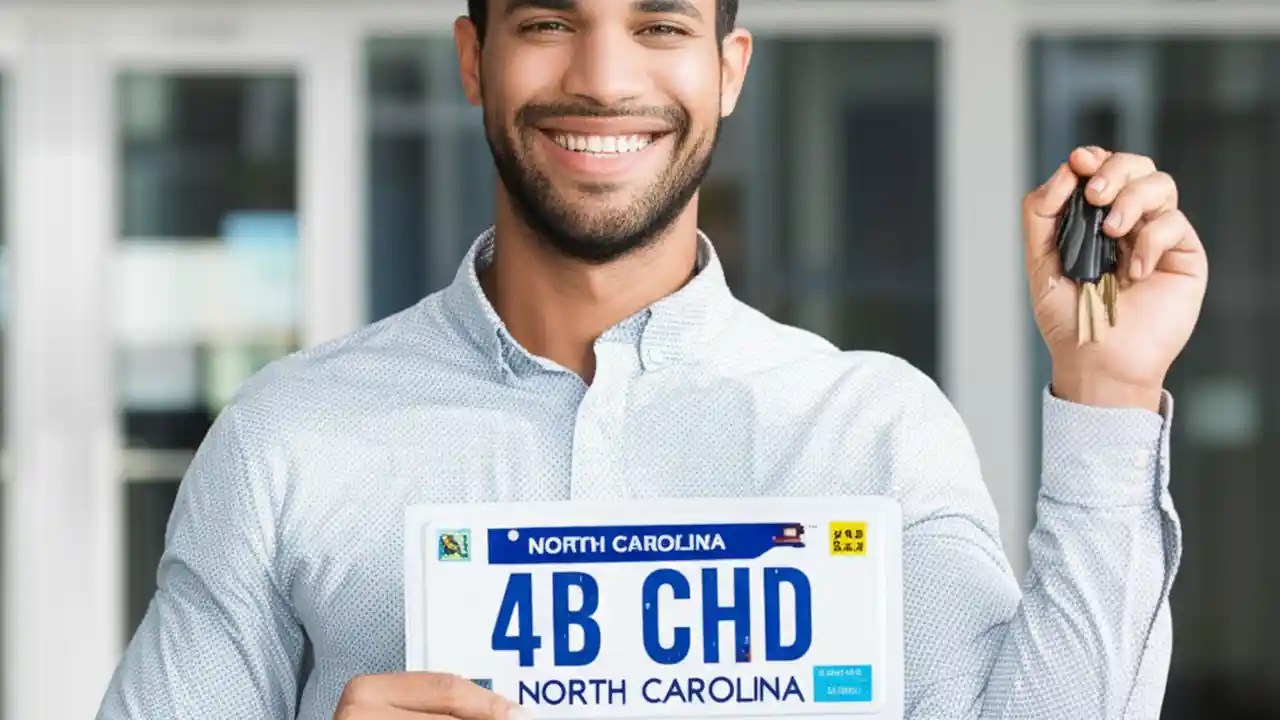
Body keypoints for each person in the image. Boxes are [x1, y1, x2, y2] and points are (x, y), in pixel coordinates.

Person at [96, 0, 1208, 718]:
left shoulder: (871, 428)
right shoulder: (287, 437)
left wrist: (1106, 391)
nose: (601, 78)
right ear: (471, 56)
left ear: (728, 68)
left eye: (659, 25)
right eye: (546, 21)